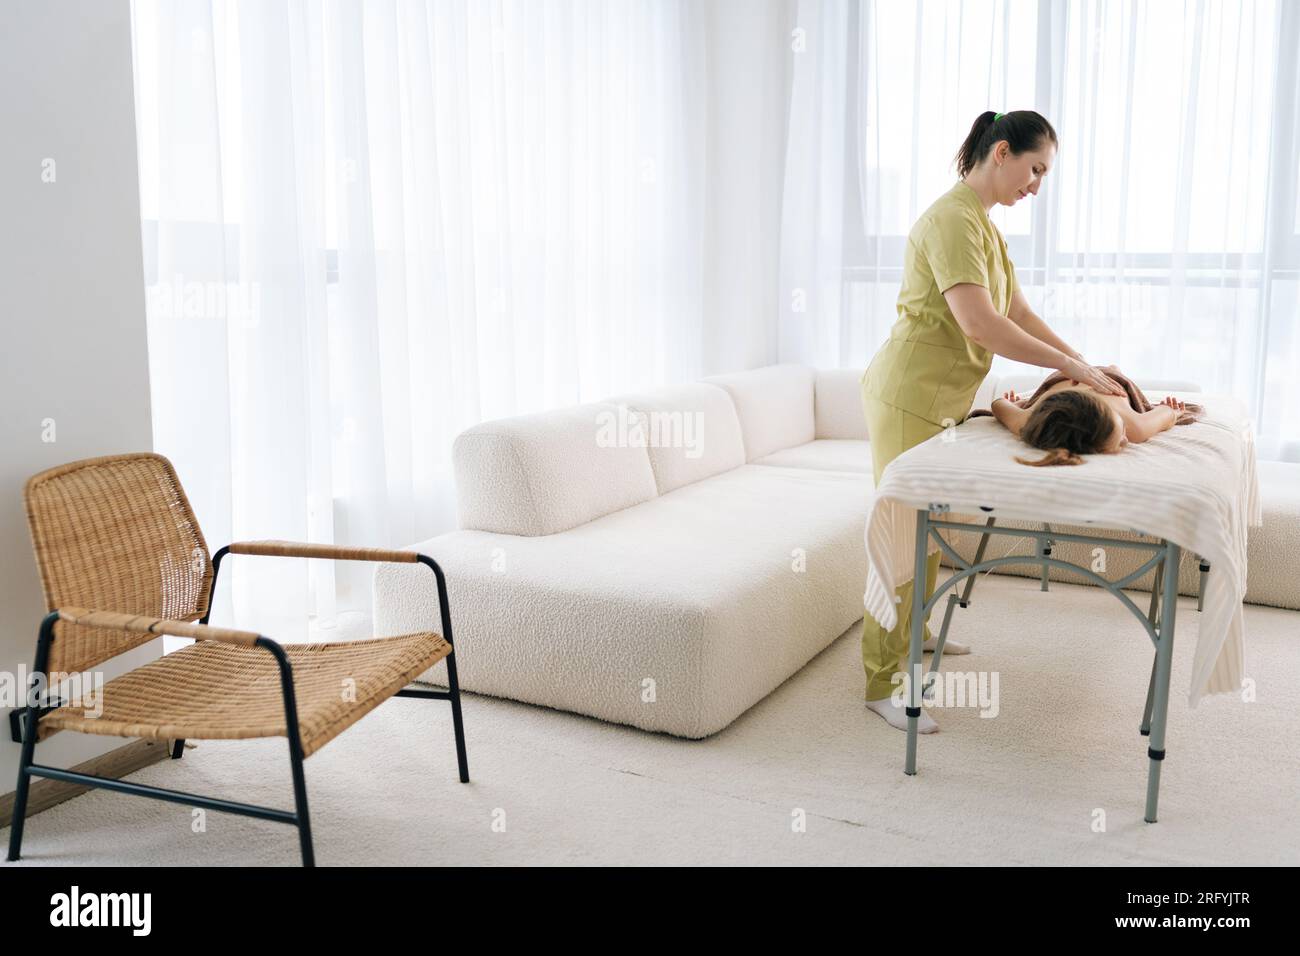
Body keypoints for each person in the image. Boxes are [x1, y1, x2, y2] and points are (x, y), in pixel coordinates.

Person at [860, 109, 1125, 733]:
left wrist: (1081, 364)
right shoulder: (951, 219)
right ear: (1001, 152)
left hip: (942, 398)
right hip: (908, 394)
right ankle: (880, 682)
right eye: (1035, 170)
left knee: (928, 528)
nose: (1036, 186)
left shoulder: (983, 225)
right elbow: (981, 325)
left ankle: (916, 634)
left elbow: (1020, 313)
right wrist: (1070, 367)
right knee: (902, 535)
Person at [975, 364, 1203, 466]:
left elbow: (998, 404)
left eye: (1121, 430)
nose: (1127, 439)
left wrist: (1015, 404)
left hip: (1101, 378)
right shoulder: (1028, 421)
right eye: (1122, 433)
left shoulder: (1027, 422)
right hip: (1064, 384)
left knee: (1113, 369)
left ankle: (1111, 369)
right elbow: (1167, 415)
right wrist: (1169, 411)